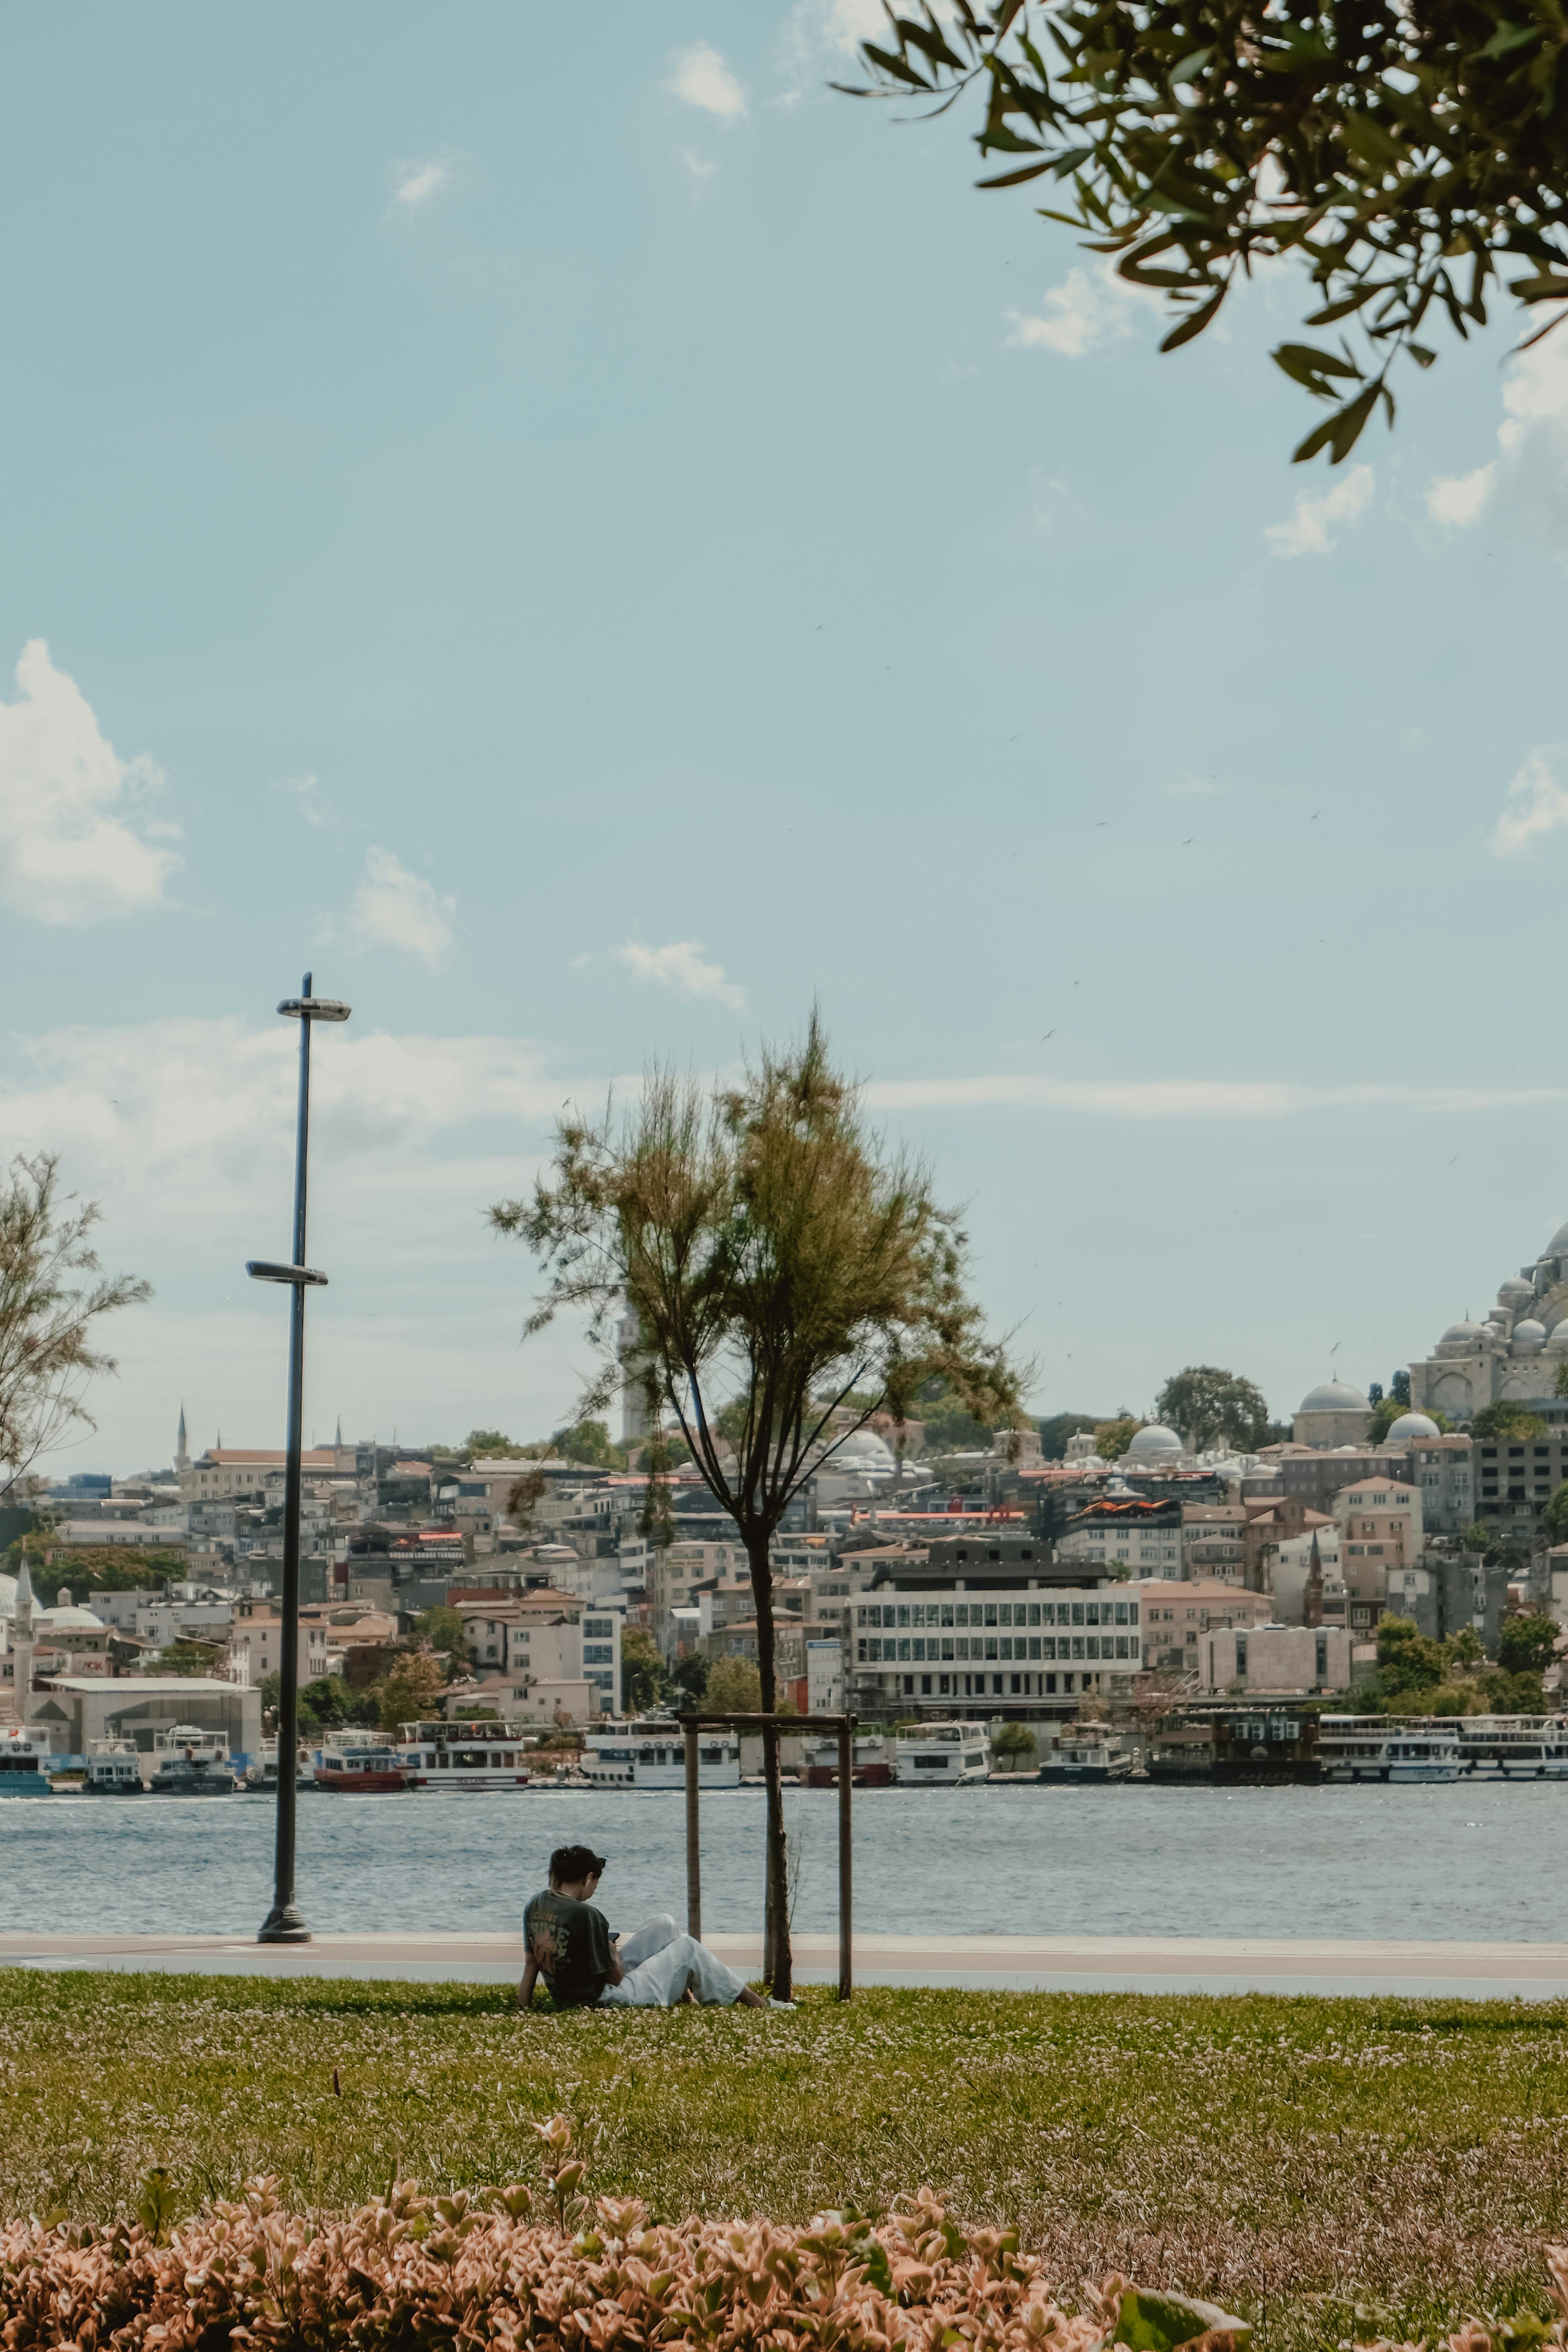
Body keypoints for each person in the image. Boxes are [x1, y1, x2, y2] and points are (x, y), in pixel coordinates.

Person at [518, 1844, 783, 2010]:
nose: (594, 1890)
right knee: (688, 1948)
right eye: (595, 1883)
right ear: (588, 1878)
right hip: (605, 1998)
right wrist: (610, 1950)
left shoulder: (536, 1903)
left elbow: (532, 1964)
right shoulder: (587, 1915)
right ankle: (759, 2003)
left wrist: (524, 2008)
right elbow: (616, 1978)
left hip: (572, 1993)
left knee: (664, 1924)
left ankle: (684, 1995)